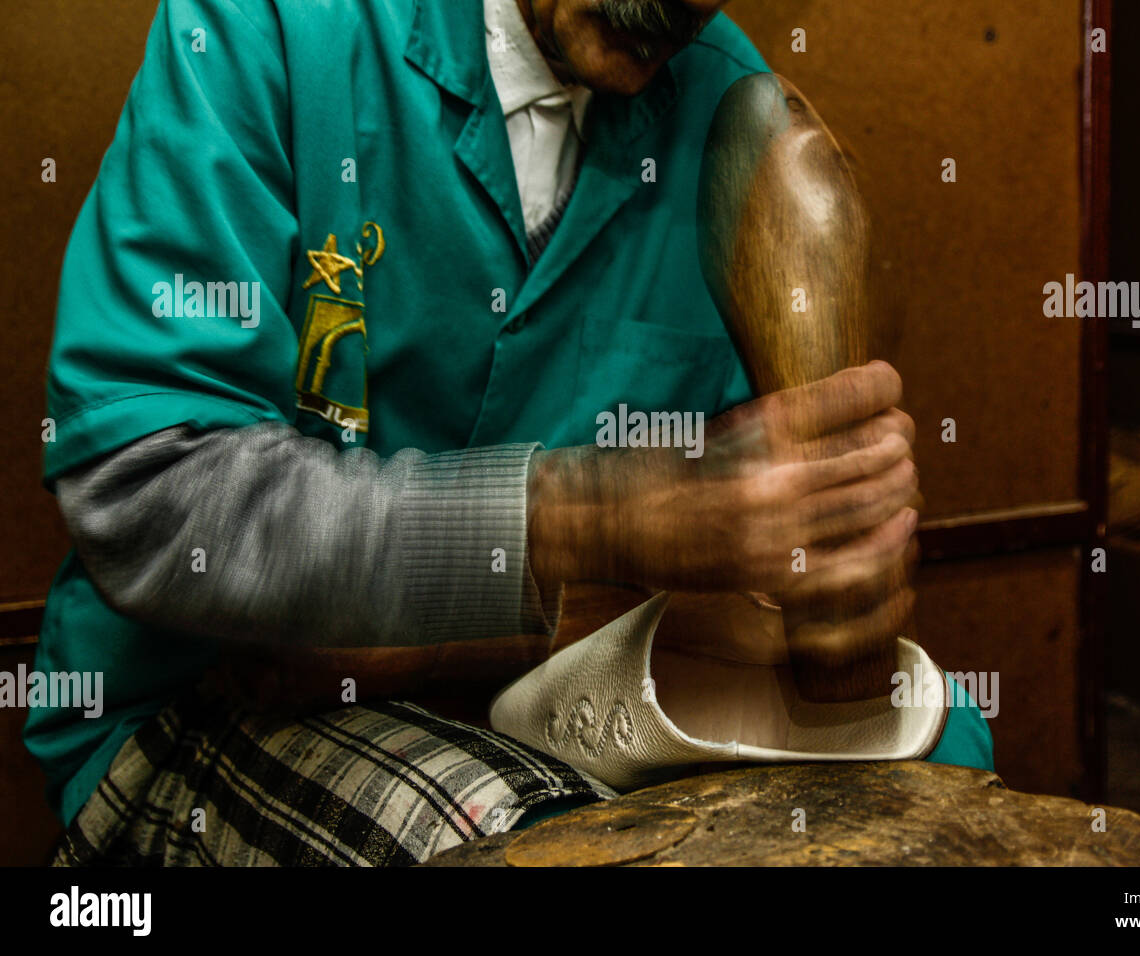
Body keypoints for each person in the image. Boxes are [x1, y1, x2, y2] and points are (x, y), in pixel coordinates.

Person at [28, 0, 992, 866]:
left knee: (948, 786)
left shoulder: (728, 113)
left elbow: (732, 586)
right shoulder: (269, 24)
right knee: (544, 848)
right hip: (202, 708)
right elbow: (156, 500)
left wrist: (822, 568)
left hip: (556, 701)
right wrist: (596, 512)